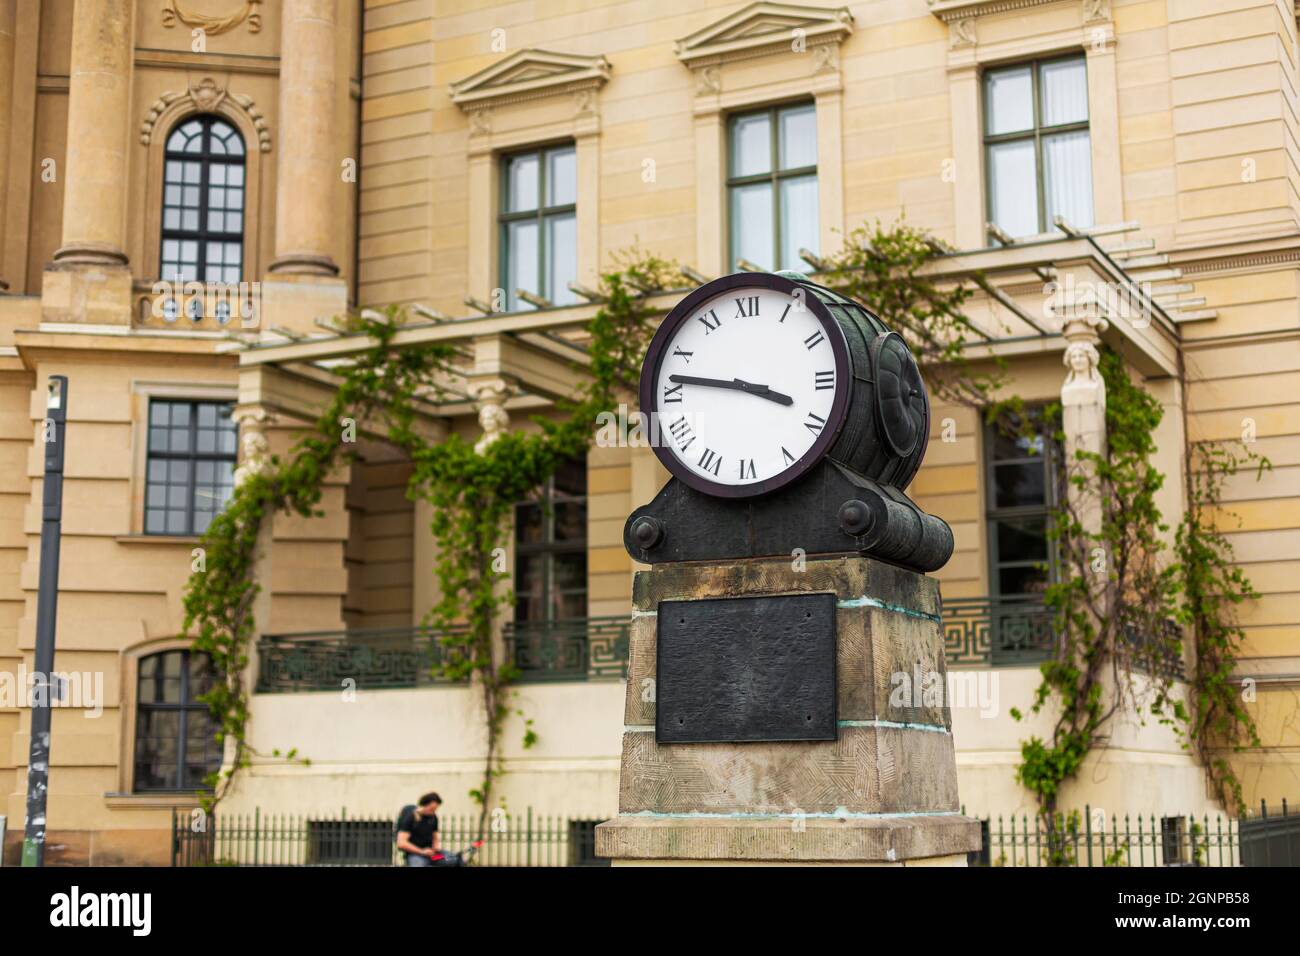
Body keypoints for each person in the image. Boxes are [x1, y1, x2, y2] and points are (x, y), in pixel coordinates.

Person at [396, 792, 442, 866]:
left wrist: (436, 849)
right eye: (431, 809)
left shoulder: (433, 817)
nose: (433, 812)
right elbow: (401, 843)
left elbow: (435, 837)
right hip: (416, 855)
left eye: (435, 810)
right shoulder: (410, 818)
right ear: (424, 805)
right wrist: (422, 851)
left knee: (451, 859)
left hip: (431, 855)